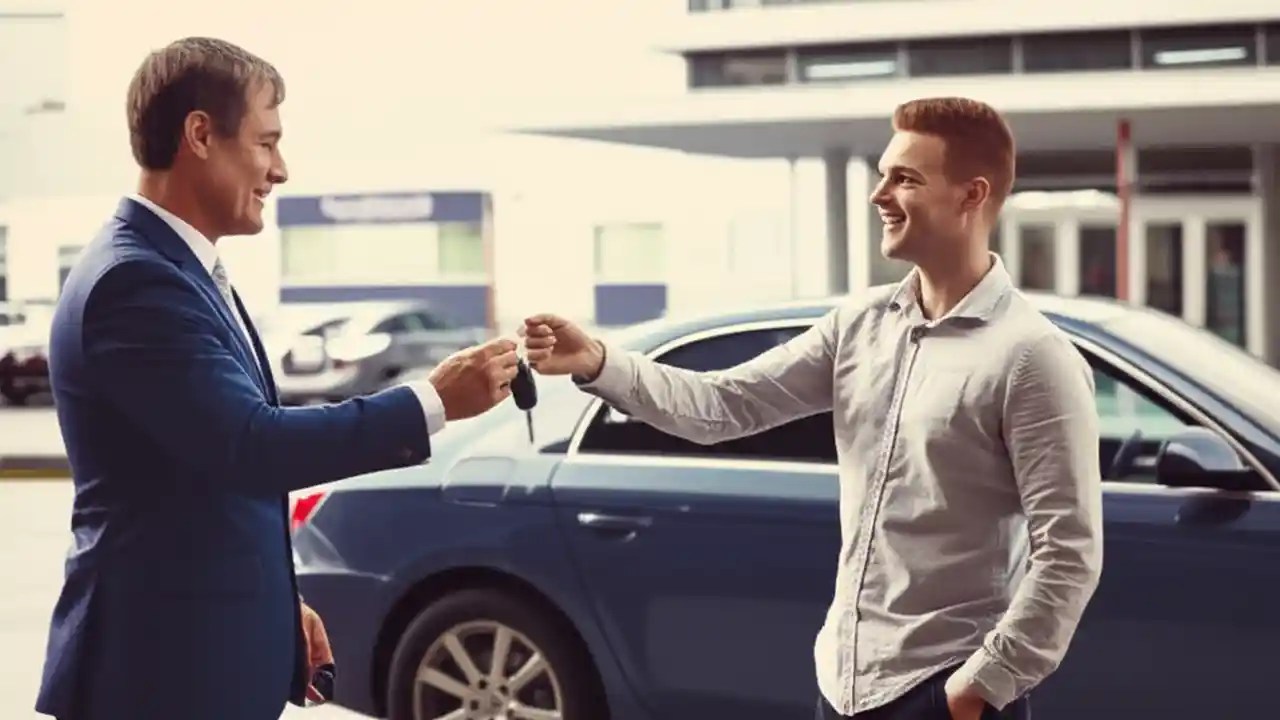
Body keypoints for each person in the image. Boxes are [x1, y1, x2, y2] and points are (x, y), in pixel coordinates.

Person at [523, 97, 1103, 720]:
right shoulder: (859, 325)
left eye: (905, 179)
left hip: (945, 689)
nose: (879, 195)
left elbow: (1068, 552)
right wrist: (597, 361)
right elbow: (725, 405)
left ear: (972, 195)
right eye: (882, 175)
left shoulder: (1031, 356)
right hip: (844, 684)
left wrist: (981, 685)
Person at [34, 37, 538, 720]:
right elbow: (250, 445)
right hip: (159, 673)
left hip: (193, 654)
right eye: (266, 143)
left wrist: (276, 603)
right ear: (200, 136)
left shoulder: (176, 269)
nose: (281, 169)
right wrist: (434, 401)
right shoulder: (136, 280)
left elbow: (200, 477)